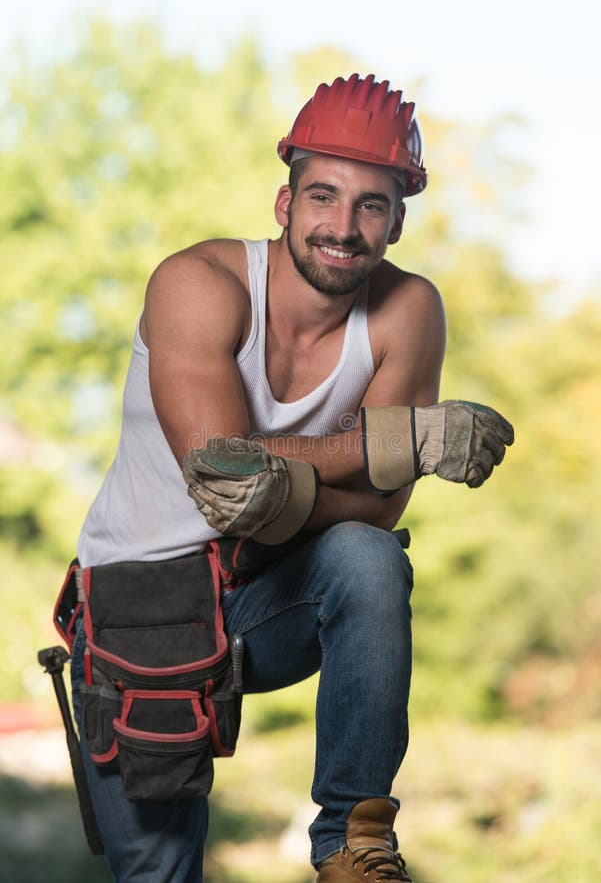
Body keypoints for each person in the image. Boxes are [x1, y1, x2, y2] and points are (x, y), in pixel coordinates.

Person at [70, 73, 514, 882]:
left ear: (397, 219)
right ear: (284, 204)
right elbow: (224, 477)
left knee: (368, 561)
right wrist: (406, 438)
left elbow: (372, 516)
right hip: (142, 605)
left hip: (272, 595)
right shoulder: (197, 286)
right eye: (321, 196)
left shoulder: (406, 310)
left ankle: (350, 837)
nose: (341, 228)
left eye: (369, 205)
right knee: (159, 875)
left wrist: (304, 483)